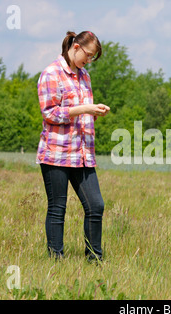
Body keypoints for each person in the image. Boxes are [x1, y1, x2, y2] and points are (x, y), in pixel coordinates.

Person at [36, 31, 110, 263]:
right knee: (58, 208)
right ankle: (56, 261)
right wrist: (84, 109)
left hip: (83, 153)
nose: (88, 61)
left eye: (92, 58)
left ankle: (94, 260)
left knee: (96, 205)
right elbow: (50, 114)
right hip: (56, 153)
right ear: (76, 47)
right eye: (87, 55)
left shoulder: (84, 76)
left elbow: (81, 111)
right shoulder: (51, 73)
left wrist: (94, 112)